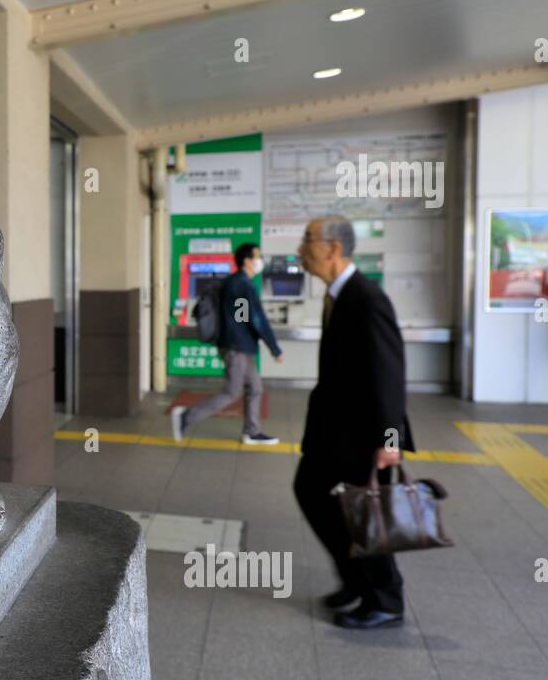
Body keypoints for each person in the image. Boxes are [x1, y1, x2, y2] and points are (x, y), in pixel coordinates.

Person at [293, 216, 413, 629]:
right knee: (312, 491)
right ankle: (355, 579)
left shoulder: (366, 298)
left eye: (307, 240)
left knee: (367, 514)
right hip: (334, 433)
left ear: (332, 248)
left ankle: (385, 599)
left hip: (364, 437)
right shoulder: (336, 296)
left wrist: (389, 440)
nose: (300, 249)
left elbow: (389, 374)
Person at [171, 243, 284, 445]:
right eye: (258, 257)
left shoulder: (235, 282)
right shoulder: (242, 284)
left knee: (256, 387)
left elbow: (242, 316)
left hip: (240, 345)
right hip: (236, 347)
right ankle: (185, 417)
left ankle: (252, 431)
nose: (261, 261)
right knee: (231, 392)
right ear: (247, 260)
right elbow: (254, 318)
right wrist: (274, 347)